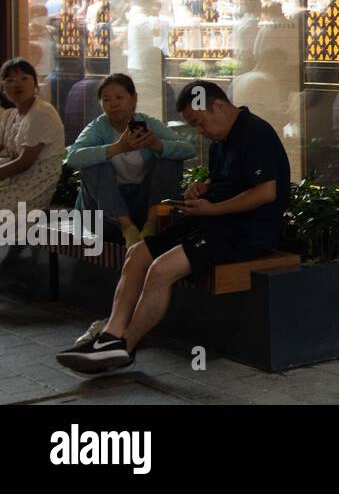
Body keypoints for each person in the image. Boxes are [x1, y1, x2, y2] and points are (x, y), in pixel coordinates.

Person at [56, 80, 291, 374]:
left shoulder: (256, 133)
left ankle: (126, 347)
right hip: (212, 219)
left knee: (160, 270)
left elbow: (265, 193)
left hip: (244, 231)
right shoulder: (222, 139)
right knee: (138, 253)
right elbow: (224, 182)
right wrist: (203, 188)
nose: (200, 131)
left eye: (199, 123)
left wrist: (214, 207)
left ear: (218, 106)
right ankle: (110, 336)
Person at [65, 73, 194, 247]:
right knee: (94, 164)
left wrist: (156, 144)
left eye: (119, 97)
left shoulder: (147, 124)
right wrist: (118, 147)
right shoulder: (97, 127)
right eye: (106, 99)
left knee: (169, 159)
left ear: (134, 99)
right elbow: (73, 158)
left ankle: (151, 225)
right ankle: (127, 228)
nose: (114, 104)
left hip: (142, 208)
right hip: (104, 216)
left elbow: (189, 149)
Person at [0, 58, 66, 215]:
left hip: (33, 183)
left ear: (35, 84)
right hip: (13, 178)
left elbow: (24, 163)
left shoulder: (41, 113)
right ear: (3, 87)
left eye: (24, 78)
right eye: (10, 80)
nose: (18, 84)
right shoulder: (10, 115)